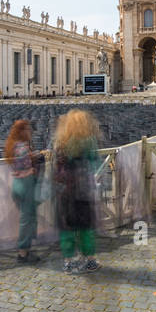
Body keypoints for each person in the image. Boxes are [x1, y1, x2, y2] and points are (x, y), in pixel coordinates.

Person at [50, 109, 105, 272]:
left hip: (63, 190)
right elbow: (96, 163)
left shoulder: (59, 142)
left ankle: (69, 261)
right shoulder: (88, 141)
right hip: (82, 190)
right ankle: (89, 259)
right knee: (85, 227)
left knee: (66, 227)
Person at [3, 119, 46, 262]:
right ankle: (23, 253)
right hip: (26, 184)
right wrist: (33, 166)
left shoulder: (11, 145)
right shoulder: (23, 147)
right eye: (28, 129)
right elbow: (25, 166)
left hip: (17, 184)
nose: (31, 131)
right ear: (22, 131)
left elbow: (19, 162)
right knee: (27, 219)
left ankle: (26, 250)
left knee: (27, 217)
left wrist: (32, 156)